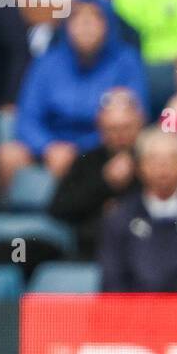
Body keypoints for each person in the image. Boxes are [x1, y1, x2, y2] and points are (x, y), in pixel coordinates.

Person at [3, 0, 149, 181]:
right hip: (51, 146)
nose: (86, 26)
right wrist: (49, 147)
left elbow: (135, 118)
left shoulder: (126, 61)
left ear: (109, 25)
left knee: (124, 160)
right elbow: (28, 118)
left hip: (105, 149)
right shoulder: (47, 62)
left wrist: (83, 152)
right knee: (8, 156)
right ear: (66, 26)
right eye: (78, 18)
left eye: (95, 18)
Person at [100, 127, 177, 292]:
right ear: (140, 166)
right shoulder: (120, 217)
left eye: (171, 159)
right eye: (154, 159)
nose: (162, 168)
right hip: (134, 314)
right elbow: (112, 282)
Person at [48, 87, 145, 258]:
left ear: (140, 123)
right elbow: (59, 208)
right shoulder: (87, 160)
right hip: (92, 250)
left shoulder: (153, 157)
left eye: (126, 128)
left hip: (145, 247)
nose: (120, 135)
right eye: (112, 129)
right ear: (100, 128)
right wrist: (104, 182)